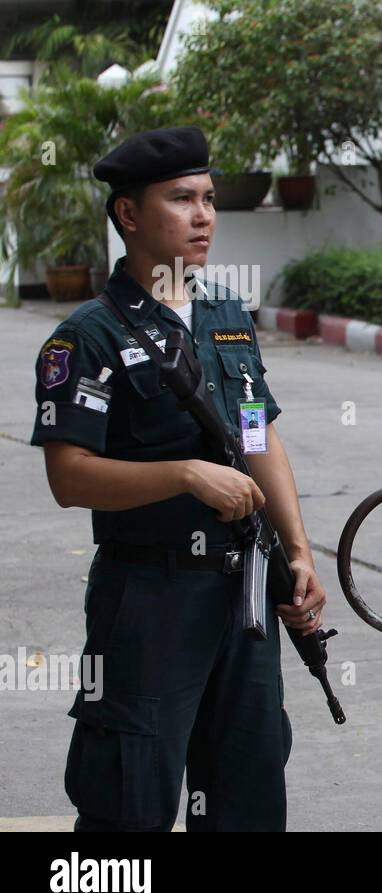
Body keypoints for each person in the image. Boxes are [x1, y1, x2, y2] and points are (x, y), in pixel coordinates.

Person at [31, 127, 326, 831]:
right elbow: (69, 477)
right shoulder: (88, 336)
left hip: (243, 595)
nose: (202, 216)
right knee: (128, 800)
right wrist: (186, 475)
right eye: (181, 198)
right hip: (150, 598)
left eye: (208, 199)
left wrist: (298, 549)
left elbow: (256, 431)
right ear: (128, 215)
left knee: (248, 791)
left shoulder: (226, 314)